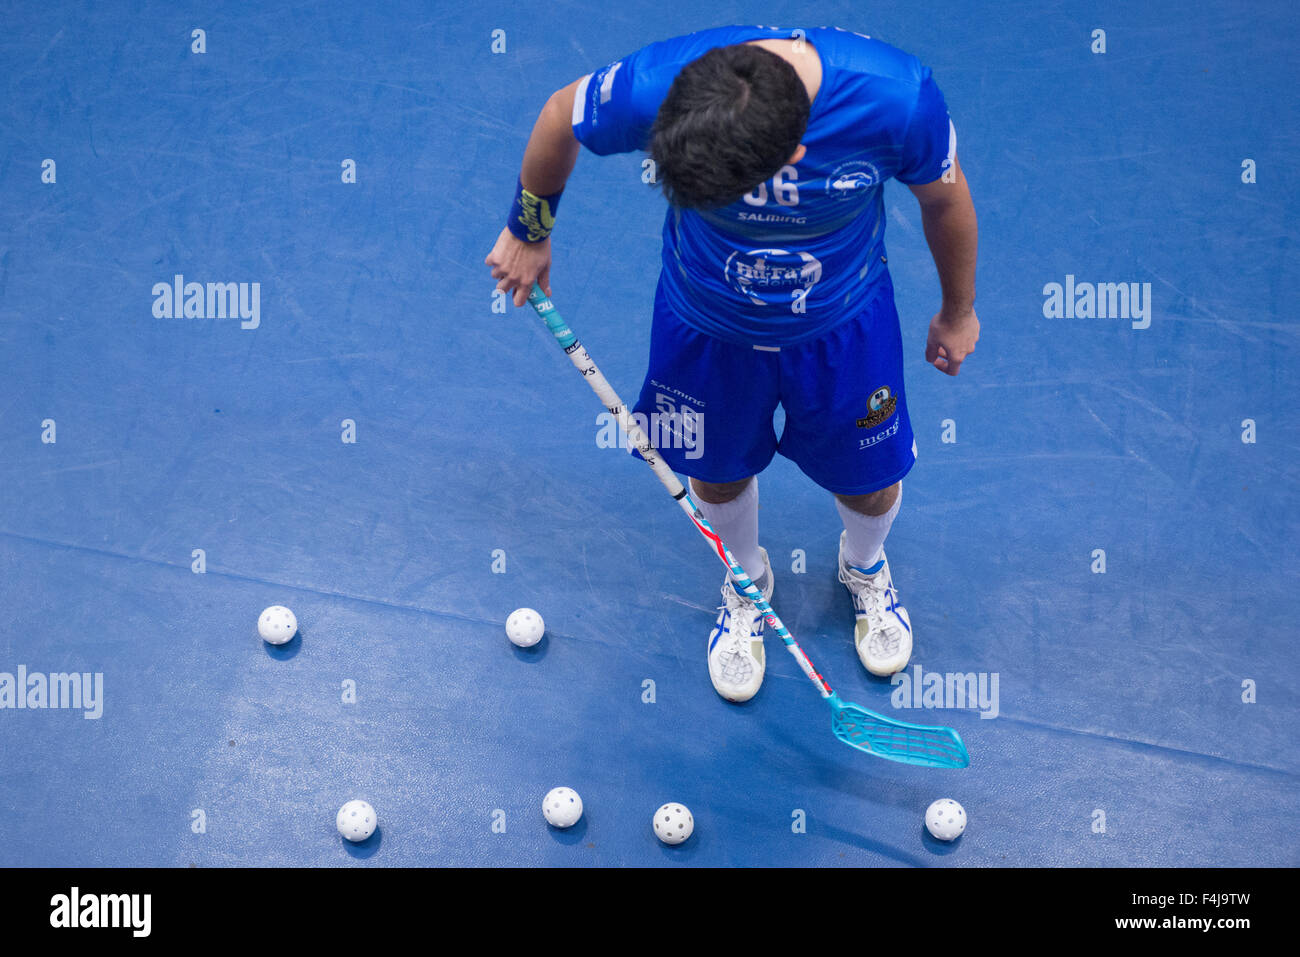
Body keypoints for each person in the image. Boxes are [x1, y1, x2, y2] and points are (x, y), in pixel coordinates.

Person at [485, 24, 979, 703]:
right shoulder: (660, 85)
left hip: (842, 327)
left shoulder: (896, 98)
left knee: (870, 480)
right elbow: (558, 116)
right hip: (705, 327)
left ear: (795, 155)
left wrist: (957, 311)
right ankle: (746, 577)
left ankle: (863, 566)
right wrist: (527, 228)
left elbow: (945, 200)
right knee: (715, 472)